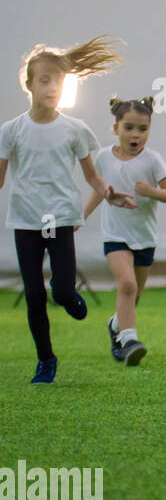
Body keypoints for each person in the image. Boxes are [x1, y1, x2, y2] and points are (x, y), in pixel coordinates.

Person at [0, 35, 134, 383]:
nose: (52, 87)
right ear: (28, 84)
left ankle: (69, 298)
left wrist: (109, 193)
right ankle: (45, 359)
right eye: (44, 80)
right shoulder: (11, 131)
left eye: (58, 81)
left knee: (61, 291)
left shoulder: (75, 130)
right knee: (33, 295)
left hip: (60, 220)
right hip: (27, 222)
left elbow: (92, 175)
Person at [84, 95, 166, 365]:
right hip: (115, 234)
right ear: (116, 128)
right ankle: (129, 340)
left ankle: (116, 325)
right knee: (126, 284)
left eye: (142, 129)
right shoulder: (103, 157)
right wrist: (81, 216)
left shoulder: (153, 160)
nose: (135, 134)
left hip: (144, 237)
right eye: (129, 128)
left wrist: (152, 191)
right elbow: (99, 191)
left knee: (134, 294)